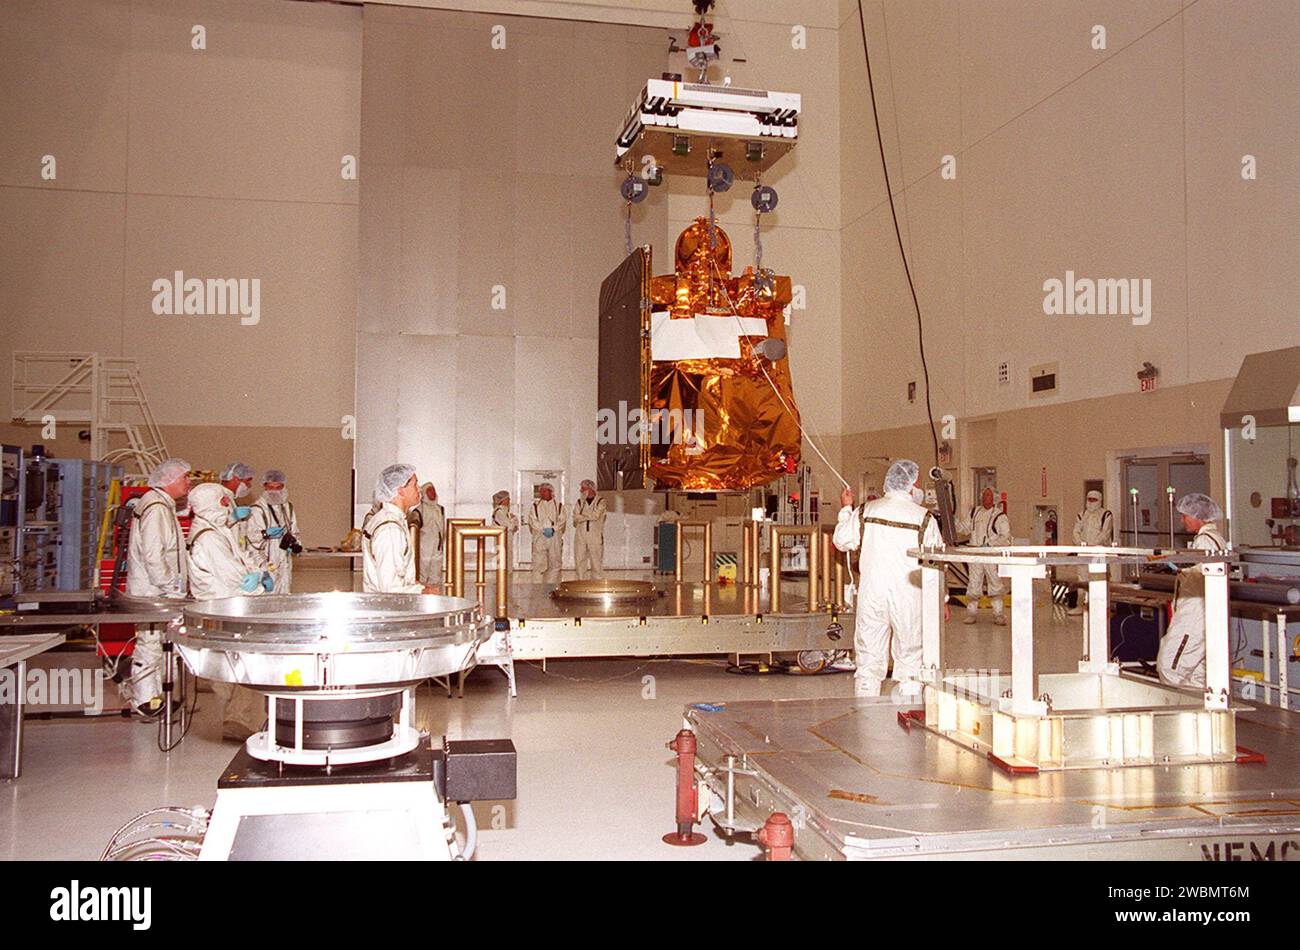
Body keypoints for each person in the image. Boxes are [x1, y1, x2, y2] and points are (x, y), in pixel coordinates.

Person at [833, 459, 947, 697]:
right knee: (910, 657)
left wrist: (846, 508)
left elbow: (842, 540)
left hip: (872, 595)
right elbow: (935, 561)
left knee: (868, 657)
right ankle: (907, 712)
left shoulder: (867, 511)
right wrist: (942, 598)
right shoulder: (924, 518)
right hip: (909, 596)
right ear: (911, 484)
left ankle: (864, 715)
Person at [186, 482, 271, 740]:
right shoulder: (209, 537)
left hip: (228, 605)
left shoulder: (217, 531)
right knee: (243, 666)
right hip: (222, 606)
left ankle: (240, 718)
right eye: (224, 502)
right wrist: (258, 582)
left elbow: (239, 561)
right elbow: (234, 577)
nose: (228, 507)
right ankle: (239, 720)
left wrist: (258, 573)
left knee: (238, 667)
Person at [122, 458, 191, 716]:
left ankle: (159, 695)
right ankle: (145, 701)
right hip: (153, 592)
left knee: (164, 644)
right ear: (170, 480)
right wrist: (169, 585)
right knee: (150, 644)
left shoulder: (162, 505)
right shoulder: (156, 509)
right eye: (185, 478)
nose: (188, 483)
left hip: (160, 592)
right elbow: (153, 554)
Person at [1157, 493, 1229, 689]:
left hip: (1196, 614)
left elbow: (1197, 566)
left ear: (1198, 516)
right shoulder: (1210, 538)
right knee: (1197, 676)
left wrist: (1173, 563)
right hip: (1198, 611)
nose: (1182, 520)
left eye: (1185, 516)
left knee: (1170, 667)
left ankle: (1177, 710)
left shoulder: (1206, 540)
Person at [361, 463, 437, 594]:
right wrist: (424, 592)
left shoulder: (388, 520)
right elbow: (390, 588)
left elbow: (397, 573)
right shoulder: (390, 529)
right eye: (415, 485)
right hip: (389, 610)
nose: (419, 489)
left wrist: (419, 585)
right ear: (401, 490)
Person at [958, 487, 1011, 625]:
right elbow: (964, 528)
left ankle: (998, 614)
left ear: (994, 498)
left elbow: (1005, 537)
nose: (985, 498)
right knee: (974, 583)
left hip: (991, 554)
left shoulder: (1000, 516)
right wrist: (952, 521)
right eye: (984, 495)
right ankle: (971, 613)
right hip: (975, 553)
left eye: (989, 495)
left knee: (995, 583)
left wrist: (990, 544)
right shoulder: (975, 512)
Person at [246, 469, 299, 594]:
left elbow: (294, 530)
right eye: (271, 487)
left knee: (284, 597)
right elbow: (250, 540)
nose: (274, 491)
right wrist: (264, 534)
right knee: (265, 600)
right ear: (264, 487)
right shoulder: (257, 510)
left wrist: (295, 544)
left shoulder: (287, 508)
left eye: (278, 487)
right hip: (265, 561)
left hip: (284, 561)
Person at [1068, 489, 1115, 615]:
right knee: (1082, 578)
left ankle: (1102, 605)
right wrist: (1081, 544)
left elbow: (1105, 533)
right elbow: (1076, 532)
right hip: (1083, 552)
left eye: (1094, 500)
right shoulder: (1082, 514)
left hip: (1099, 551)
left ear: (1100, 500)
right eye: (1089, 499)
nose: (1091, 502)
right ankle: (1081, 605)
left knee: (1100, 577)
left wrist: (1093, 545)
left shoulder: (1106, 514)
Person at [525, 482, 565, 583]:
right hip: (540, 537)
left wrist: (553, 529)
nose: (542, 493)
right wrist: (543, 529)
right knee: (538, 564)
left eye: (545, 491)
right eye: (541, 491)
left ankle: (550, 587)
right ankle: (537, 588)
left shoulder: (559, 506)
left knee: (555, 563)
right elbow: (532, 520)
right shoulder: (535, 506)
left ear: (551, 492)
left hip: (555, 537)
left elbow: (562, 520)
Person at [571, 479, 608, 579]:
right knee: (579, 558)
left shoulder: (601, 501)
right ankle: (581, 581)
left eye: (583, 489)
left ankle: (597, 582)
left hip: (595, 534)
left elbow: (596, 515)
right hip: (580, 534)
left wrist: (582, 516)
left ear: (590, 489)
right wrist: (586, 516)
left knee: (596, 559)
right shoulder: (579, 502)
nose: (581, 491)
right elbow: (575, 517)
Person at [412, 482, 445, 588]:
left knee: (436, 570)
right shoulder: (418, 510)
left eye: (433, 490)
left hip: (437, 544)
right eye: (429, 491)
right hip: (423, 545)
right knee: (423, 569)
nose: (432, 493)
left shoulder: (440, 509)